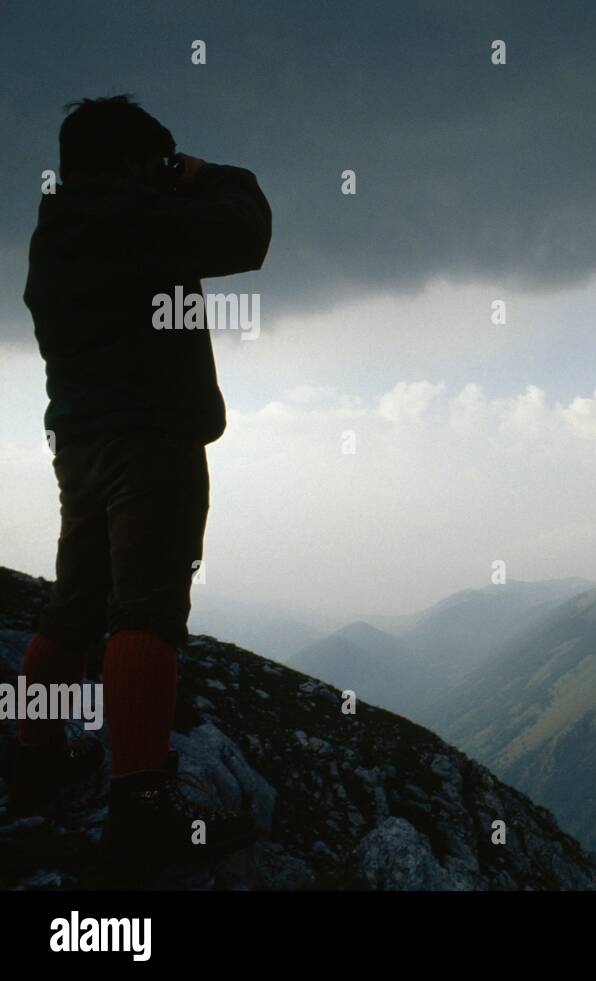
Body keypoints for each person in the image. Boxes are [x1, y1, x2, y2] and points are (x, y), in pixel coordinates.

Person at [14, 95, 272, 860]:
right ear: (135, 164)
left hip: (80, 441)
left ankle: (32, 757)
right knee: (147, 611)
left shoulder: (53, 232)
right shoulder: (136, 221)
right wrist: (204, 173)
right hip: (150, 441)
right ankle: (141, 807)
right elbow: (247, 232)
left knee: (76, 602)